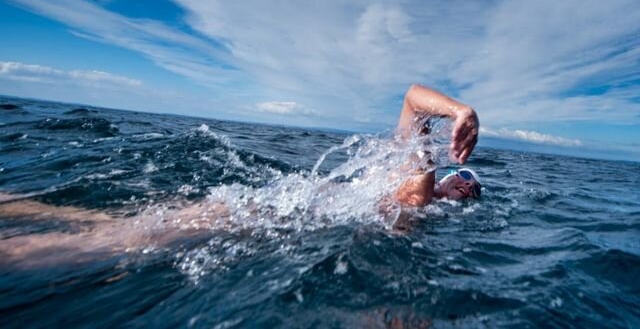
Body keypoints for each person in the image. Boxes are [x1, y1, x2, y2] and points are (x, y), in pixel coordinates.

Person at [0, 84, 481, 267]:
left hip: (262, 210)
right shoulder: (413, 192)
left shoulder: (415, 205)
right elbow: (414, 99)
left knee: (110, 227)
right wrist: (460, 110)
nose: (467, 184)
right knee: (107, 241)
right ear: (453, 171)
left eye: (473, 191)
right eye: (467, 176)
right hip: (260, 216)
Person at [393, 84, 481, 206]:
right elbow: (412, 98)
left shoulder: (435, 208)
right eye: (466, 175)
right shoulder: (423, 176)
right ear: (445, 179)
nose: (470, 185)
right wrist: (462, 112)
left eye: (476, 190)